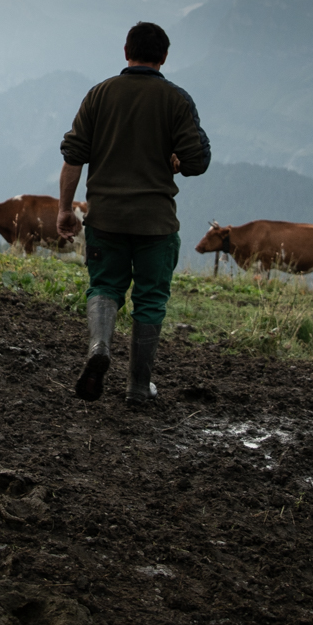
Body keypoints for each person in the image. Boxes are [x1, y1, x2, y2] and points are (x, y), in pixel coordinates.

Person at [56, 22, 211, 403]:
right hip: (155, 224)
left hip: (105, 219)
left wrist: (64, 209)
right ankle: (139, 387)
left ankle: (99, 347)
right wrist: (176, 161)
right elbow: (198, 160)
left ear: (126, 52)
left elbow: (74, 157)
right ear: (164, 57)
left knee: (104, 286)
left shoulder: (99, 95)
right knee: (151, 299)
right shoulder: (176, 100)